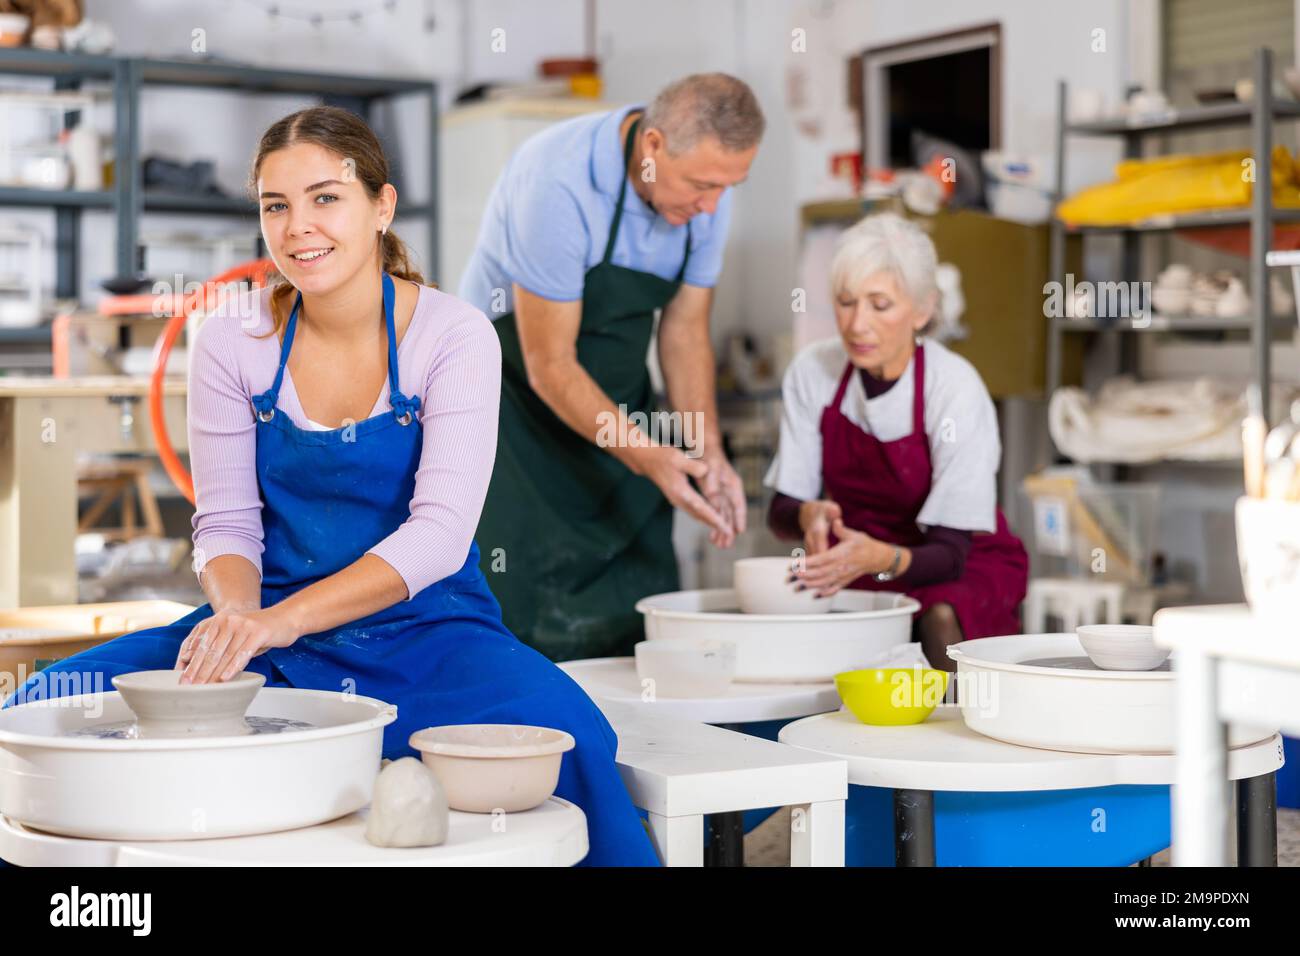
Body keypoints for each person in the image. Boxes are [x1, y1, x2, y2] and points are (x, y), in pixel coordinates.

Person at [3, 106, 658, 867]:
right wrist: (239, 623)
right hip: (267, 625)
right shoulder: (233, 339)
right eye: (275, 206)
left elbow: (438, 537)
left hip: (428, 630)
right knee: (40, 705)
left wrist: (280, 624)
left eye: (326, 198)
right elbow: (226, 524)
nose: (298, 228)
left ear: (381, 206)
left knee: (564, 733)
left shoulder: (453, 336)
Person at [460, 73, 764, 661]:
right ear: (653, 146)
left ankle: (630, 718)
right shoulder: (556, 181)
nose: (712, 207)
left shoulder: (708, 194)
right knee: (520, 603)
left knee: (638, 594)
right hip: (515, 409)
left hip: (620, 401)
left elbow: (684, 333)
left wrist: (707, 452)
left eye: (729, 187)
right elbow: (550, 365)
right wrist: (648, 456)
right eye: (702, 186)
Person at [765, 213, 1028, 670]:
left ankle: (956, 716)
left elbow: (950, 553)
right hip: (859, 559)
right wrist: (808, 514)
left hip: (960, 563)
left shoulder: (953, 387)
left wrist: (881, 558)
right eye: (846, 302)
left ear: (922, 310)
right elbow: (781, 511)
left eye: (880, 305)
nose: (857, 324)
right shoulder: (814, 372)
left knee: (940, 617)